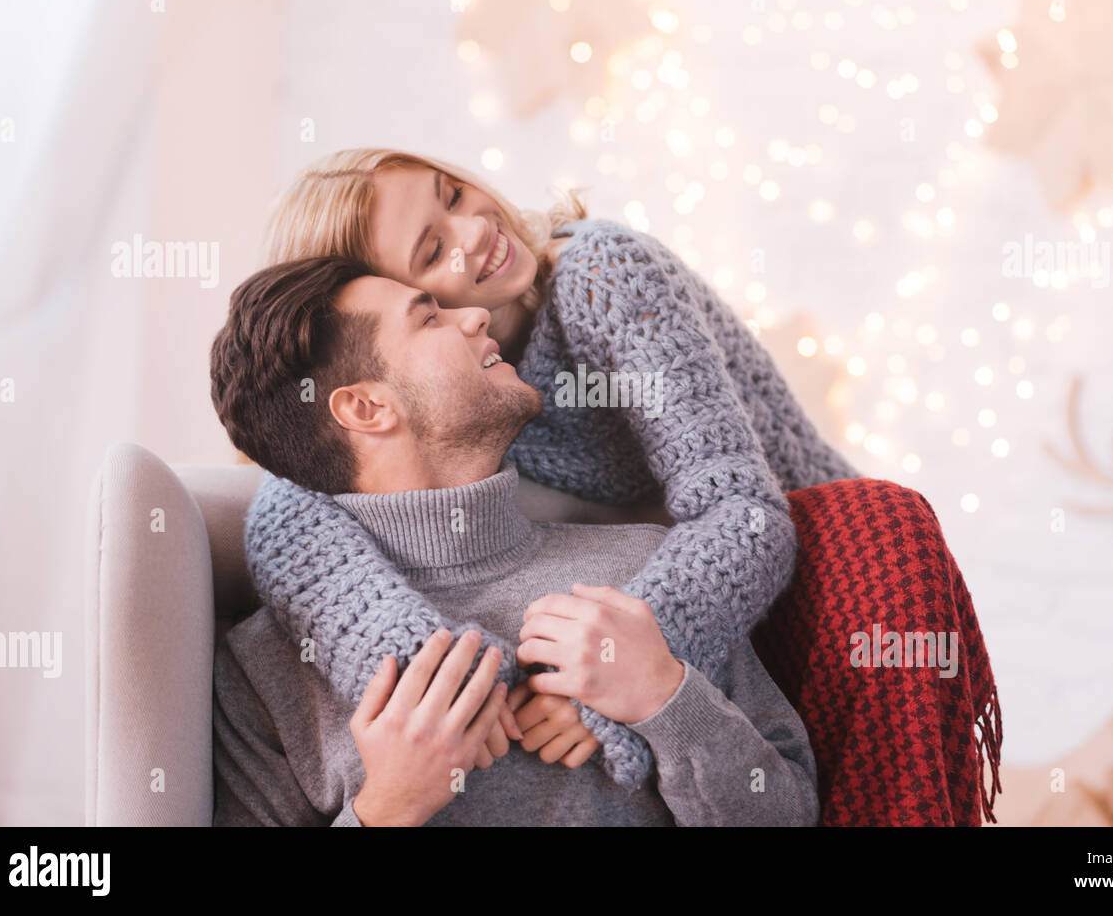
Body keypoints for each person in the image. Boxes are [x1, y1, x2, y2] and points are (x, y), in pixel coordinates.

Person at [243, 149, 861, 787]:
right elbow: (282, 518)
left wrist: (604, 677)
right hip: (703, 628)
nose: (476, 230)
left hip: (818, 558)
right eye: (432, 252)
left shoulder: (601, 275)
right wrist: (436, 679)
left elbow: (746, 516)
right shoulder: (430, 394)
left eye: (452, 195)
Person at [208, 257, 820, 826]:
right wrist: (386, 808)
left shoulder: (646, 577)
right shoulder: (262, 672)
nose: (473, 314)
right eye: (428, 319)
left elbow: (791, 811)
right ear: (367, 407)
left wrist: (665, 698)